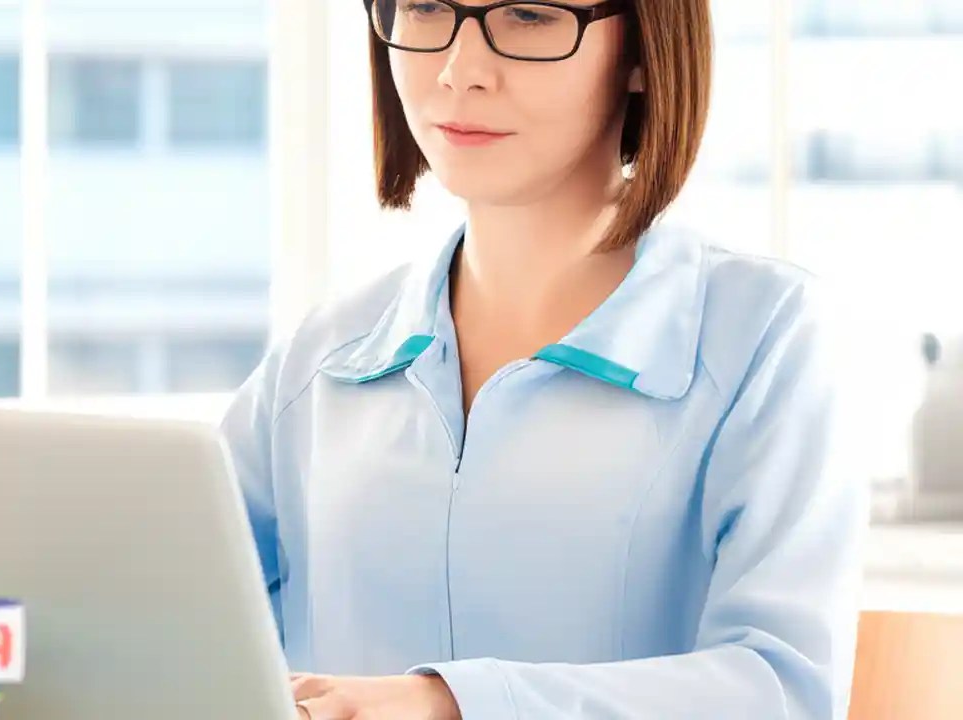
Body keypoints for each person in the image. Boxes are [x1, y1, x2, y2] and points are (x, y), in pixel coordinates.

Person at [220, 1, 868, 718]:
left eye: (529, 15)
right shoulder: (320, 359)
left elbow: (782, 691)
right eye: (428, 7)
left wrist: (452, 705)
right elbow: (157, 620)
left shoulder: (766, 337)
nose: (460, 71)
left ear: (643, 54)